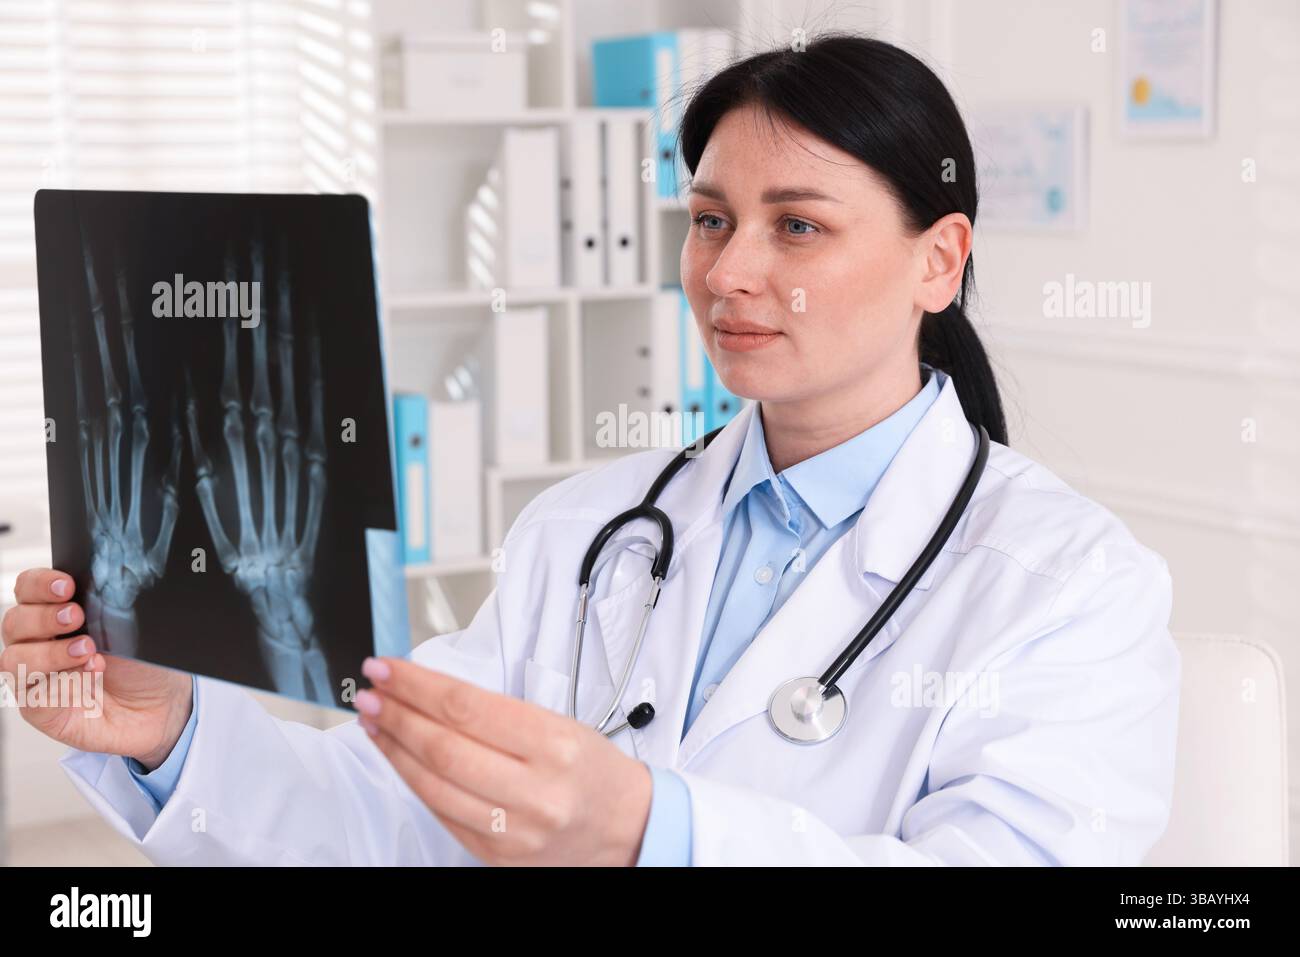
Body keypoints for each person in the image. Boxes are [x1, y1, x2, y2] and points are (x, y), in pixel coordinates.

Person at [1, 33, 1179, 866]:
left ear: (939, 258)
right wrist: (164, 733)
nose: (727, 272)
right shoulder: (587, 532)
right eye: (710, 219)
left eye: (798, 226)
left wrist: (650, 836)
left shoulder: (1069, 586)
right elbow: (395, 812)